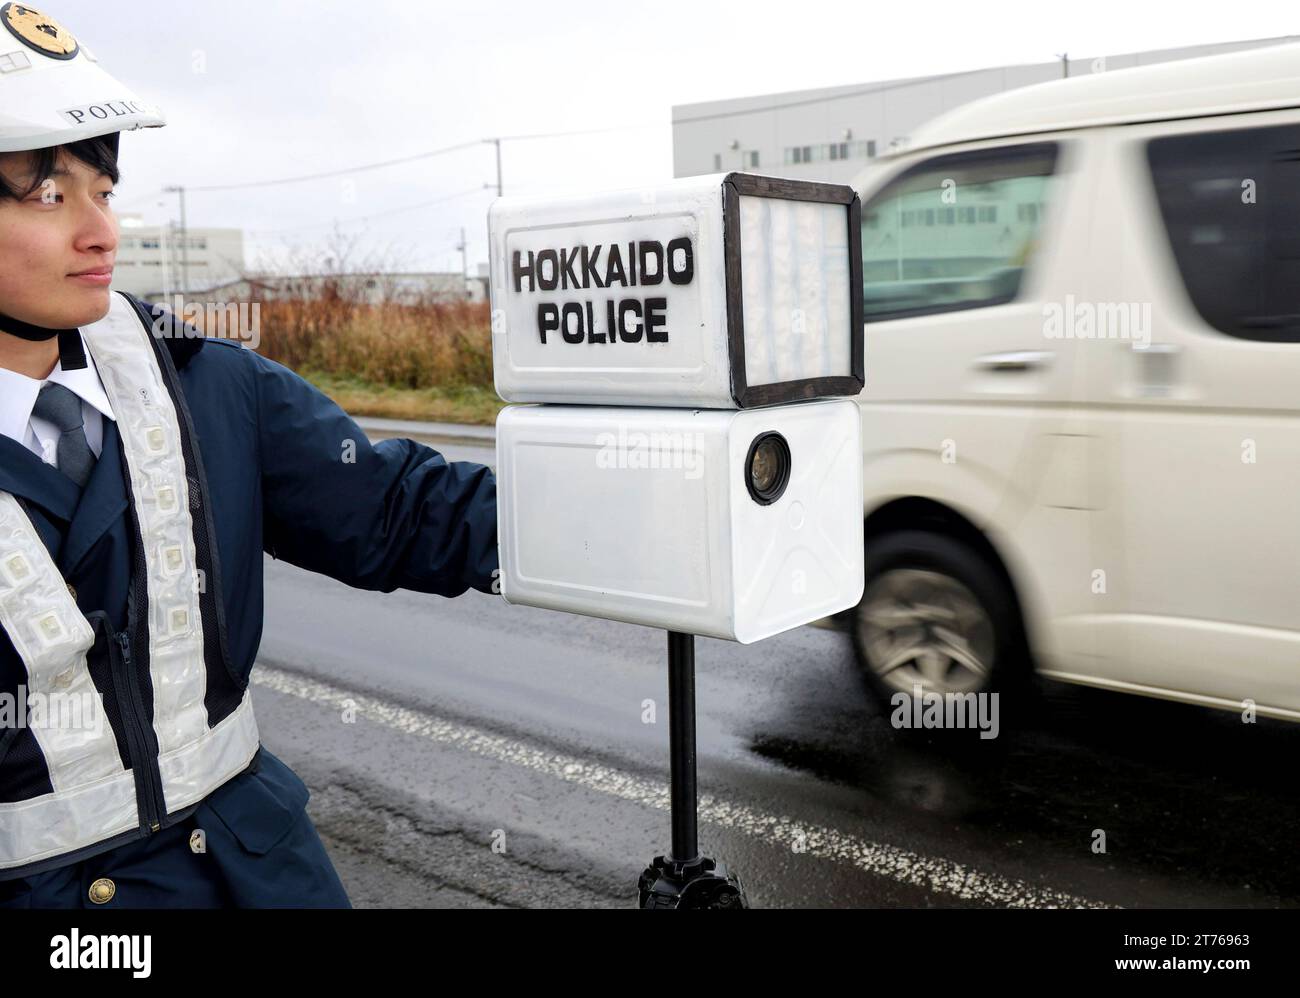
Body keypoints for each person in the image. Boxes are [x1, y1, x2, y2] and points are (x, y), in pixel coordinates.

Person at [0, 5, 499, 907]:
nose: (100, 231)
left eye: (102, 190)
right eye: (48, 194)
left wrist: (628, 514)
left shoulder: (205, 385)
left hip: (261, 875)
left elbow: (396, 511)